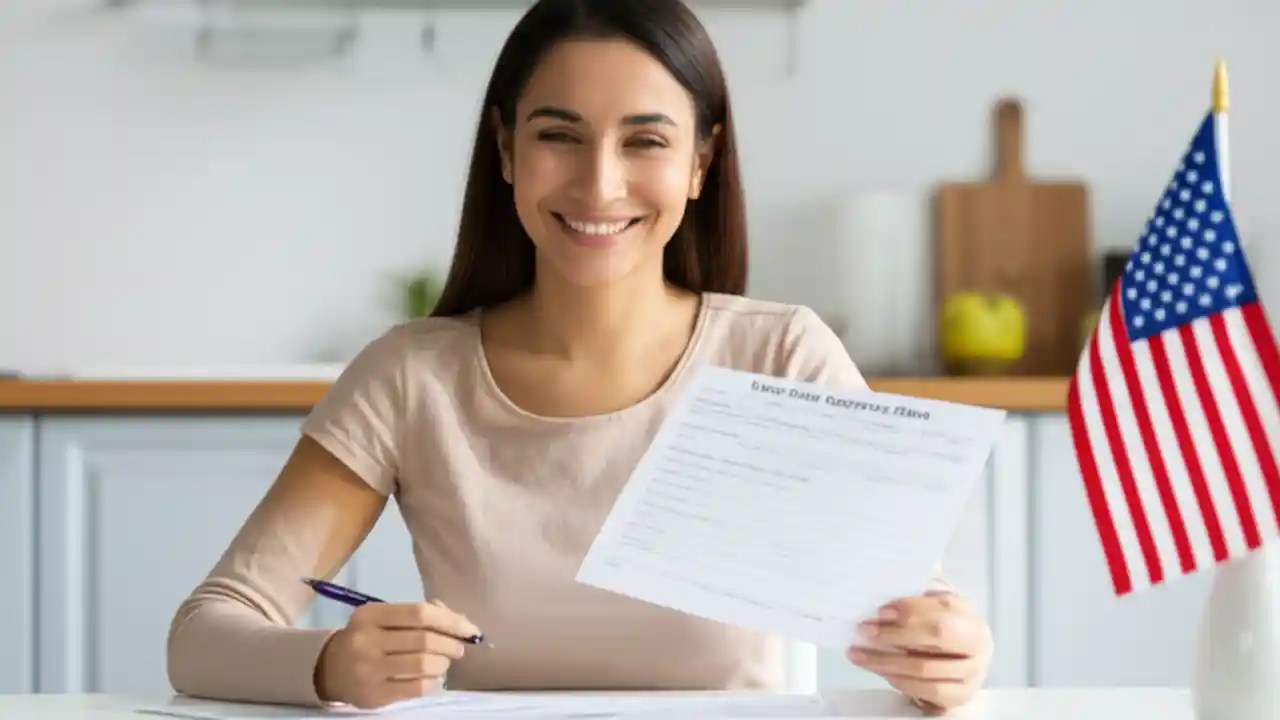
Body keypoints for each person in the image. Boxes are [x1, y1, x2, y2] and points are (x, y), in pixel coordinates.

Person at [166, 0, 994, 713]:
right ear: (505, 151)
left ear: (700, 161)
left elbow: (918, 616)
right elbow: (204, 632)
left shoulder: (780, 354)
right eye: (560, 136)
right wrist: (330, 662)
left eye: (645, 142)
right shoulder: (410, 377)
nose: (599, 186)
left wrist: (950, 656)